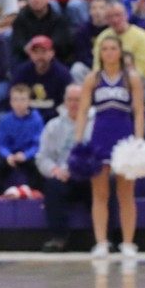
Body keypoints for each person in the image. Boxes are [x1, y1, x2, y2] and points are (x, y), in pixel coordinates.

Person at [77, 38, 145, 259]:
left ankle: (127, 243)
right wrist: (79, 141)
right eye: (104, 49)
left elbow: (140, 112)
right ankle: (101, 242)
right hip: (100, 137)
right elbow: (82, 111)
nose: (108, 52)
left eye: (113, 48)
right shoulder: (92, 79)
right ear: (99, 53)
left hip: (124, 137)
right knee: (99, 193)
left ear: (120, 52)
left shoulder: (131, 78)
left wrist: (139, 141)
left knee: (126, 193)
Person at [37, 85, 91, 252]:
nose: (74, 103)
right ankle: (58, 238)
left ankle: (106, 239)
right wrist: (54, 170)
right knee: (52, 186)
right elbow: (42, 157)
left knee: (104, 185)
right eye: (70, 99)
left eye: (78, 100)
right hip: (64, 177)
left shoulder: (94, 124)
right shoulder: (53, 125)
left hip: (89, 175)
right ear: (65, 101)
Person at [0, 83, 45, 195]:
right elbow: (1, 144)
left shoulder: (37, 120)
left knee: (38, 165)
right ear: (10, 102)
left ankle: (35, 193)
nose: (19, 103)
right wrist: (8, 155)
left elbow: (38, 144)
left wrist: (26, 155)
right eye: (15, 100)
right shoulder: (4, 121)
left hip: (29, 154)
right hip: (11, 155)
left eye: (23, 100)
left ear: (29, 101)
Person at [11, 35, 74, 116]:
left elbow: (66, 102)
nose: (40, 56)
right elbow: (12, 94)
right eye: (36, 52)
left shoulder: (62, 74)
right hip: (26, 116)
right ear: (30, 54)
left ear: (52, 53)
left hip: (53, 118)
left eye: (43, 52)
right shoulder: (21, 71)